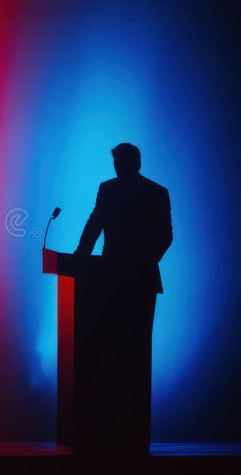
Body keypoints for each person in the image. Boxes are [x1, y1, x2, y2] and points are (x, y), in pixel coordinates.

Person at [74, 142, 172, 454]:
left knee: (128, 350)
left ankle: (123, 429)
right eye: (117, 162)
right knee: (129, 350)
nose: (118, 167)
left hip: (120, 278)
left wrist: (82, 259)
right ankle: (125, 429)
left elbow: (95, 226)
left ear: (133, 162)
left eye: (121, 161)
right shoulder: (153, 192)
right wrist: (82, 258)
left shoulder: (122, 190)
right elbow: (163, 236)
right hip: (130, 279)